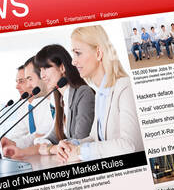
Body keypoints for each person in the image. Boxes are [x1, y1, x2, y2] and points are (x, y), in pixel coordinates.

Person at [48, 25, 143, 161]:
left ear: (98, 53)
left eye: (78, 53)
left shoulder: (125, 87)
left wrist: (80, 151)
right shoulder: (100, 93)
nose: (73, 62)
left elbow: (130, 145)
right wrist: (73, 145)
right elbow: (94, 138)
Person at [2, 44, 95, 158]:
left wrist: (52, 148)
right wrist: (20, 152)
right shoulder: (60, 99)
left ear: (62, 68)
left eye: (46, 68)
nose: (42, 75)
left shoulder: (83, 93)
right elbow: (50, 139)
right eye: (40, 70)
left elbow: (78, 141)